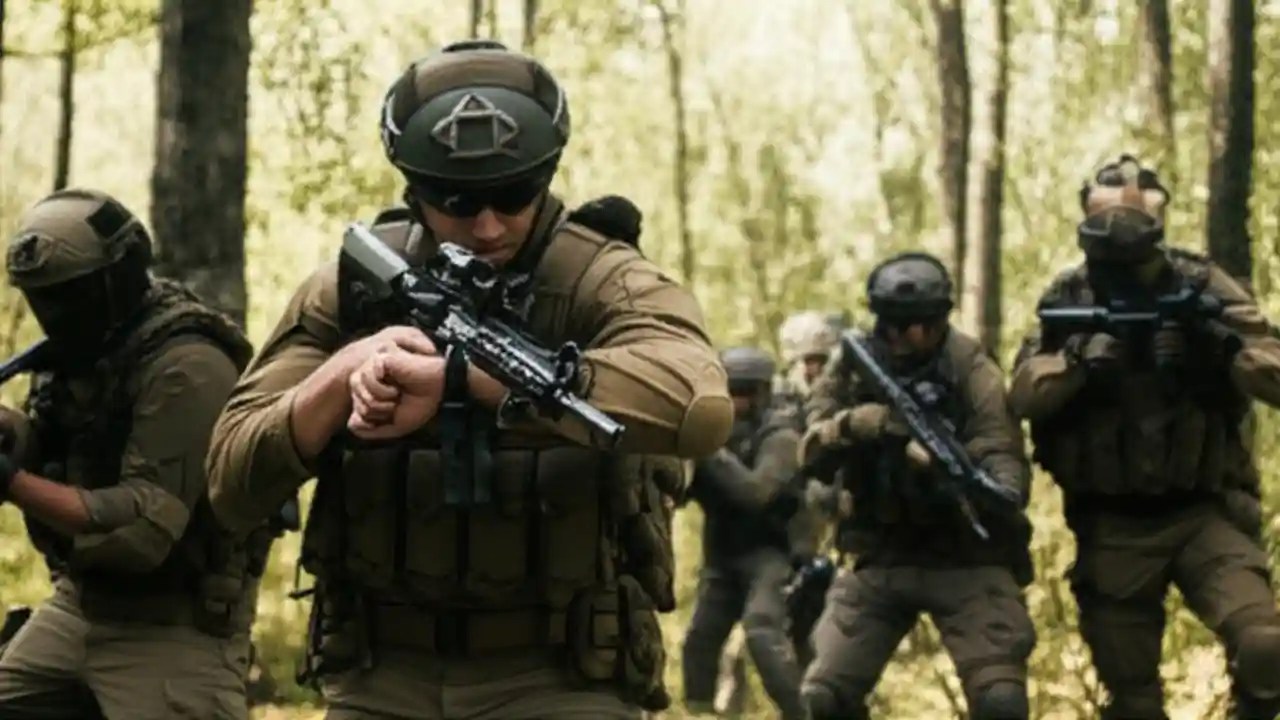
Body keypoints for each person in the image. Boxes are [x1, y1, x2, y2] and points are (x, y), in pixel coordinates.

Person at [204, 40, 732, 720]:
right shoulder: (357, 287)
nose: (486, 226)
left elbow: (699, 407)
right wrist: (340, 377)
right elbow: (230, 480)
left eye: (513, 196)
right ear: (414, 189)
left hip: (559, 678)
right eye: (456, 201)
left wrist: (463, 380)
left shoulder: (600, 279)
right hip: (380, 678)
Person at [1009, 154, 1280, 720]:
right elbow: (1025, 394)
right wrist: (1079, 361)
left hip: (1205, 513)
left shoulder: (1199, 283)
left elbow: (1270, 364)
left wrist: (1216, 346)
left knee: (1265, 647)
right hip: (1114, 527)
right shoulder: (1069, 296)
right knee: (1134, 703)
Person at [0, 188, 266, 719]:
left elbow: (141, 531)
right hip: (81, 608)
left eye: (68, 295)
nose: (54, 314)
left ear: (115, 279)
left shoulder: (188, 366)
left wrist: (11, 483)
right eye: (43, 298)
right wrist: (10, 433)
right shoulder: (88, 351)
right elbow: (65, 444)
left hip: (176, 631)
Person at [798, 252, 1035, 720]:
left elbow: (1004, 461)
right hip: (881, 553)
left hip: (967, 555)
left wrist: (960, 472)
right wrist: (856, 425)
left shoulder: (971, 367)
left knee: (1000, 702)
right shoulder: (852, 363)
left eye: (928, 324)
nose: (917, 336)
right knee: (823, 698)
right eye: (903, 326)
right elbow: (809, 452)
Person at [680, 346, 808, 720]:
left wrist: (708, 451)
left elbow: (755, 494)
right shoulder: (714, 431)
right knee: (699, 642)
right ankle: (699, 714)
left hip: (771, 555)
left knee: (762, 633)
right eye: (730, 392)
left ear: (762, 393)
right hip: (722, 558)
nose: (736, 402)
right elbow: (679, 493)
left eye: (744, 393)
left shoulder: (781, 436)